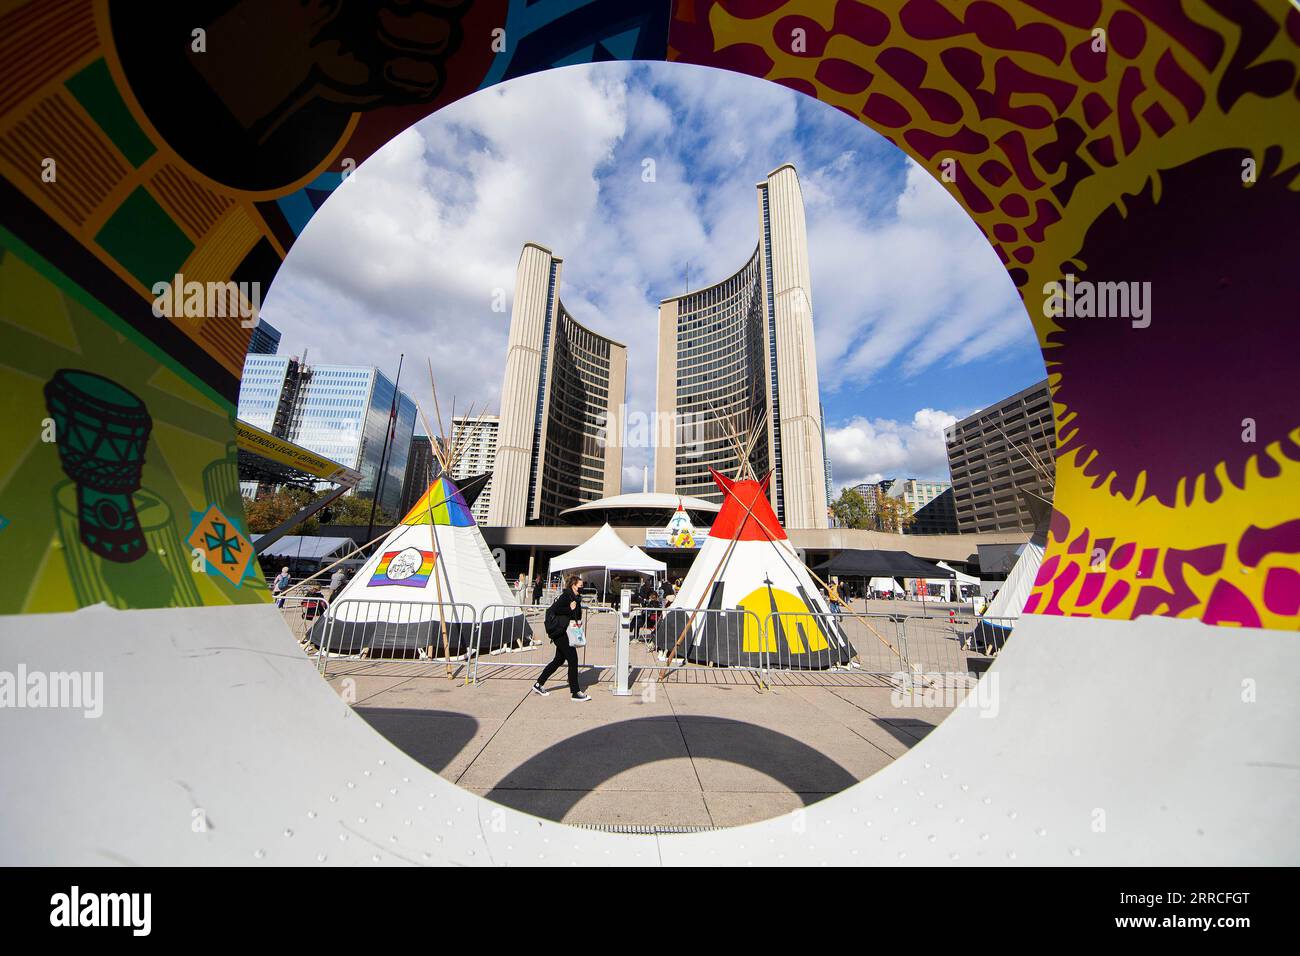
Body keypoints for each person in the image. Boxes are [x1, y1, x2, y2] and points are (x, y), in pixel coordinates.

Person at [533, 575, 590, 701]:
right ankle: (575, 692)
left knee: (558, 660)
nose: (582, 588)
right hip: (560, 632)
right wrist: (570, 609)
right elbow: (555, 609)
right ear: (573, 585)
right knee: (573, 659)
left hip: (566, 631)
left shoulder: (575, 597)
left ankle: (539, 684)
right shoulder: (566, 596)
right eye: (580, 586)